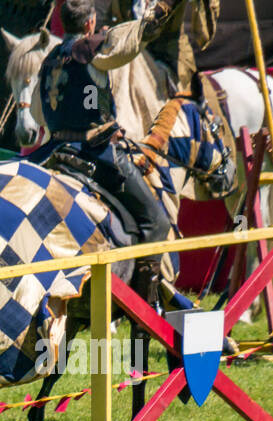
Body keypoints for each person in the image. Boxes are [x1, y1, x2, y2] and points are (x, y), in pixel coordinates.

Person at [32, 0, 185, 296]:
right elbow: (134, 39)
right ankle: (145, 306)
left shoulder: (49, 57)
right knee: (157, 221)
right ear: (89, 23)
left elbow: (39, 116)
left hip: (53, 150)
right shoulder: (92, 52)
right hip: (93, 153)